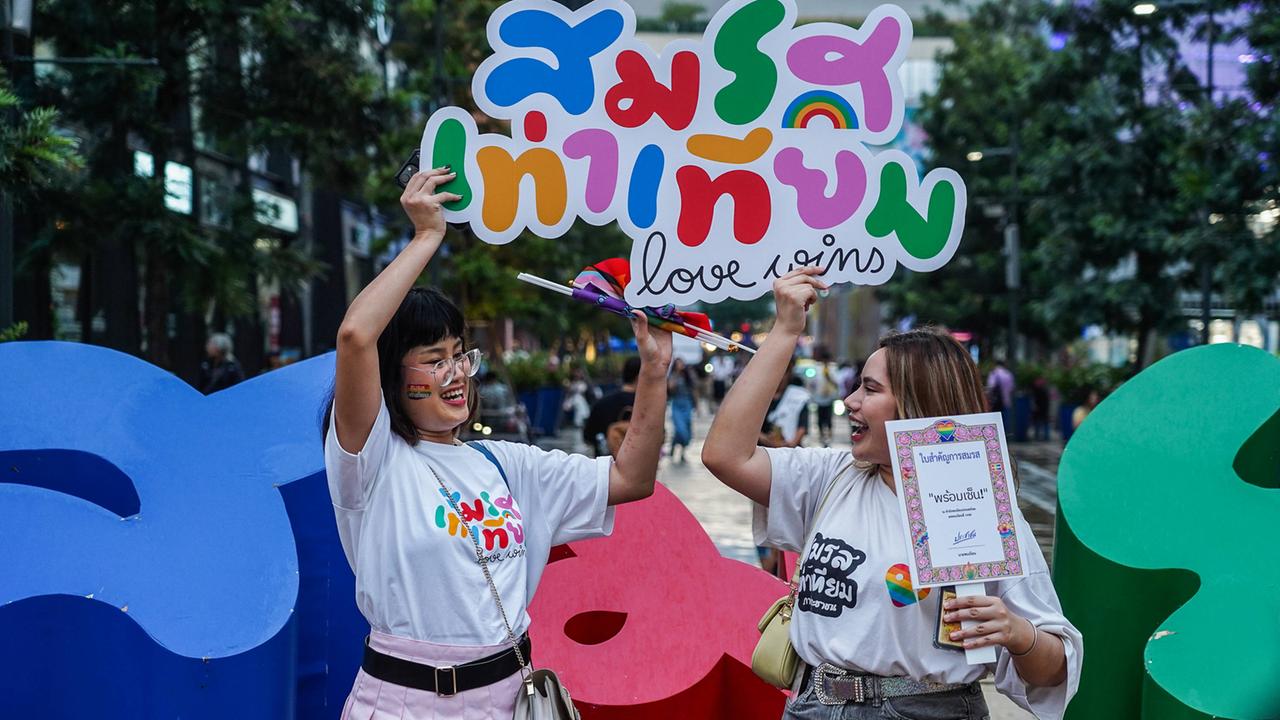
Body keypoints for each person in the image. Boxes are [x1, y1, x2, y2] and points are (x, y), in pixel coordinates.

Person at [323, 167, 673, 718]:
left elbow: (631, 478)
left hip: (508, 701)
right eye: (434, 361)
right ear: (393, 376)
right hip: (402, 704)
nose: (456, 373)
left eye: (460, 355)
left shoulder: (508, 465)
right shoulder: (372, 459)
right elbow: (355, 336)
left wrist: (655, 372)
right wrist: (427, 237)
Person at [704, 268, 1081, 720]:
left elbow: (1054, 668)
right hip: (811, 706)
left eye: (871, 388)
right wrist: (785, 330)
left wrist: (1018, 634)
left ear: (917, 404)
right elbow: (724, 454)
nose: (850, 402)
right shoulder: (833, 474)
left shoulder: (980, 510)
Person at [583, 356, 642, 456]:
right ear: (639, 377)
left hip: (604, 465)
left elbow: (588, 437)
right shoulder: (646, 407)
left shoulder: (601, 403)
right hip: (637, 465)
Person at [807, 346, 841, 447]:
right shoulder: (816, 368)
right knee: (820, 418)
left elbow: (837, 382)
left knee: (829, 418)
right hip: (819, 398)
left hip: (829, 398)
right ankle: (822, 436)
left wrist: (829, 377)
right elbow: (811, 382)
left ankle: (829, 437)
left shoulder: (833, 368)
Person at [668, 357, 698, 463]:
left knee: (687, 429)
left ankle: (682, 452)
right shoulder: (672, 376)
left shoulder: (688, 376)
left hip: (687, 404)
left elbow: (694, 390)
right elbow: (670, 388)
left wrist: (696, 405)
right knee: (680, 429)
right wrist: (676, 375)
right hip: (676, 403)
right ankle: (673, 445)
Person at [1031, 376, 1051, 441]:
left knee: (1041, 422)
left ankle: (1042, 436)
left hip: (1041, 409)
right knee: (1043, 422)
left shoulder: (1040, 390)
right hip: (1042, 409)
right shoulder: (1042, 390)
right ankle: (1044, 436)